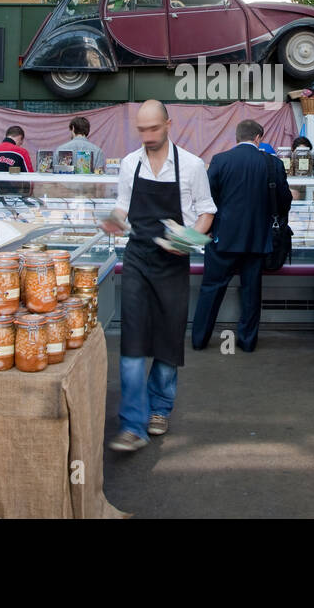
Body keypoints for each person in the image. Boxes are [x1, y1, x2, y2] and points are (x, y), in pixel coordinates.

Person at [101, 100, 215, 452]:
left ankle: (160, 407)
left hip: (172, 261)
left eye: (153, 128)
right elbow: (123, 205)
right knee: (133, 340)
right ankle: (133, 424)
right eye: (142, 130)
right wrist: (113, 220)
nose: (148, 136)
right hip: (137, 257)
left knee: (167, 338)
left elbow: (206, 211)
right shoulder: (130, 164)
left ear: (168, 124)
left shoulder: (193, 166)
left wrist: (189, 238)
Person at [192, 119, 291, 353]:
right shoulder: (272, 164)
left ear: (237, 138)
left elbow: (206, 200)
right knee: (251, 293)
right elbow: (285, 200)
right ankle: (247, 342)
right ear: (258, 138)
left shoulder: (220, 160)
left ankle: (199, 339)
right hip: (257, 240)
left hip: (222, 238)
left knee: (211, 289)